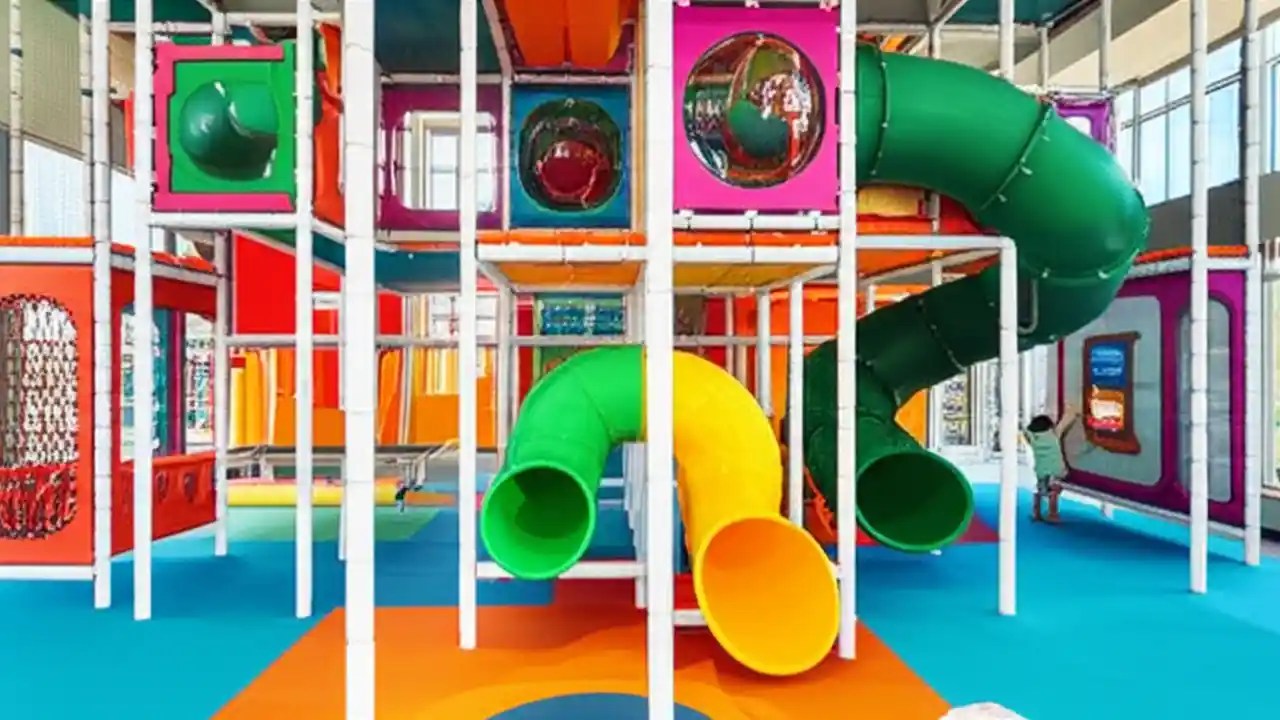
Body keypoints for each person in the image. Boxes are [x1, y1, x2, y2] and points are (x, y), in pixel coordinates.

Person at [1023, 405, 1078, 523]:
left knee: (1039, 490)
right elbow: (1064, 423)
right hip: (1056, 470)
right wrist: (1073, 413)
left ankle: (1036, 513)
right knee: (1054, 492)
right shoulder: (1054, 435)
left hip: (1041, 470)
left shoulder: (1033, 439)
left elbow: (1025, 432)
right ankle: (1053, 514)